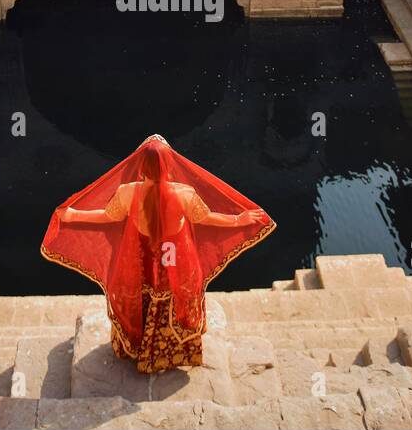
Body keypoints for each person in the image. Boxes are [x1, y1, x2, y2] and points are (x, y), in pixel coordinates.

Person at [40, 134, 275, 373]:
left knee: (142, 298)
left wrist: (73, 215)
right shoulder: (184, 193)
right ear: (169, 164)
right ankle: (174, 352)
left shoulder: (128, 192)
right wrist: (239, 219)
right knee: (173, 299)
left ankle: (137, 349)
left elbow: (107, 216)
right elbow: (205, 218)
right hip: (175, 259)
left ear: (141, 165)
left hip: (142, 259)